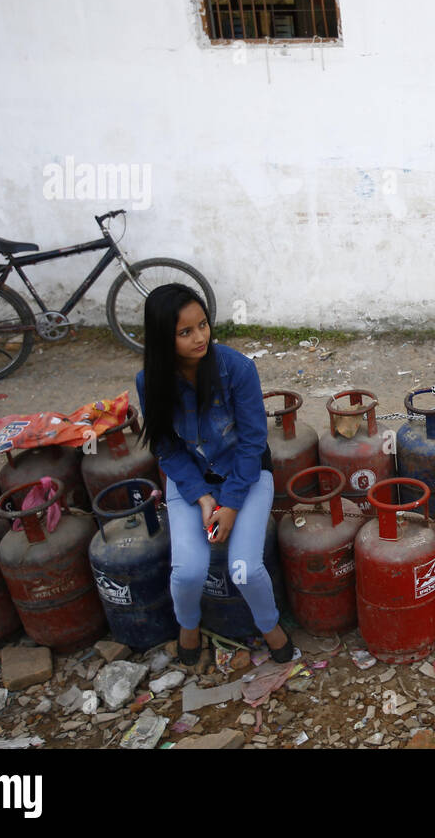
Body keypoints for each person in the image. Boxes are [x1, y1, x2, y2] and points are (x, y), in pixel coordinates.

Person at [135, 283, 296, 666]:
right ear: (163, 338)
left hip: (247, 475)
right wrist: (202, 497)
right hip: (190, 480)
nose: (200, 337)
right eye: (185, 332)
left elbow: (253, 442)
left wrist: (231, 505)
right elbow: (166, 448)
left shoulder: (236, 368)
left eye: (203, 325)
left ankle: (271, 627)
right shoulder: (150, 382)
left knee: (244, 570)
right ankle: (188, 626)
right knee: (188, 573)